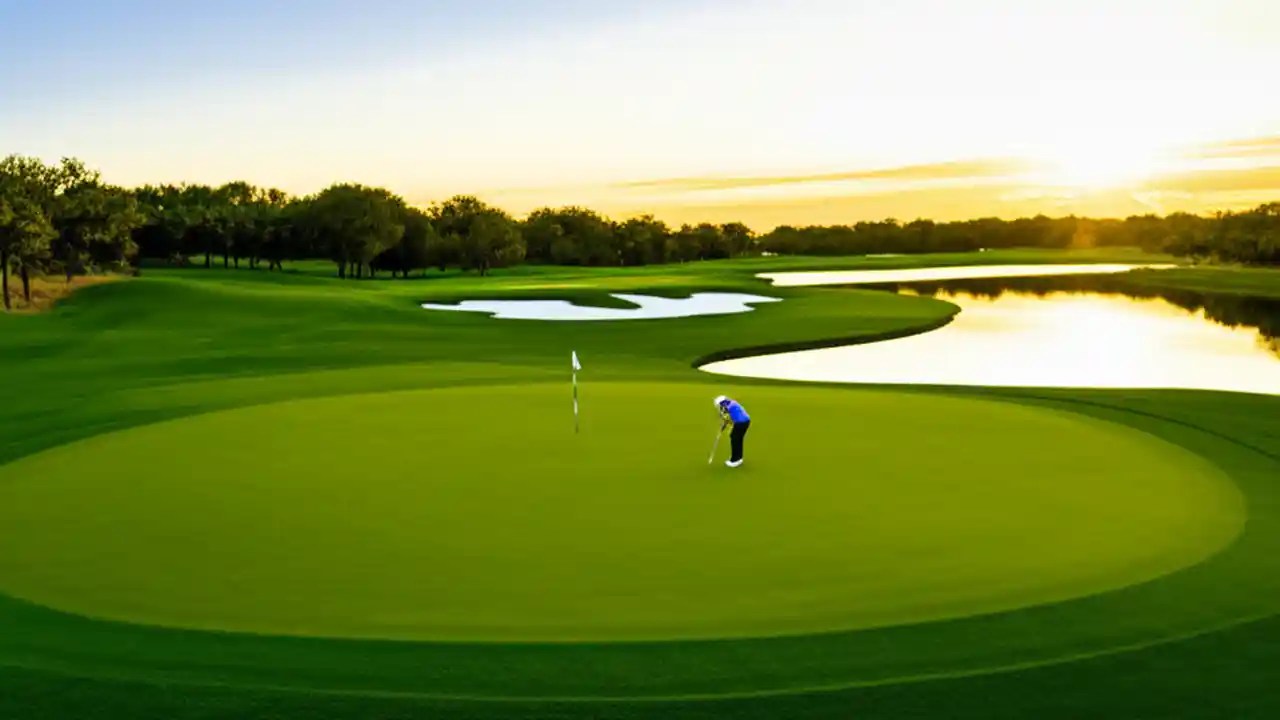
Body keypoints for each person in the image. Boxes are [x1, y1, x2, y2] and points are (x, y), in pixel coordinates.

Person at [714, 395, 751, 468]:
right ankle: (739, 458)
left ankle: (734, 460)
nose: (719, 407)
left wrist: (722, 427)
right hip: (746, 421)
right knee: (738, 439)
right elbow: (728, 420)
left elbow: (726, 420)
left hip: (740, 423)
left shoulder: (727, 407)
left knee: (735, 439)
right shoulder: (732, 403)